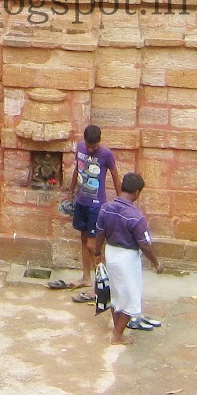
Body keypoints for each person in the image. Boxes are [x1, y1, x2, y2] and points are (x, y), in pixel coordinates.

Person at [95, 172, 163, 343]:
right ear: (137, 192)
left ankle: (118, 329)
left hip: (111, 252)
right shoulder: (136, 216)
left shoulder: (106, 208)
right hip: (127, 257)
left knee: (116, 293)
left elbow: (99, 234)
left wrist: (97, 253)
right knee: (131, 297)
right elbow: (144, 245)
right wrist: (156, 263)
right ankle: (117, 336)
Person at [69, 125, 120, 302]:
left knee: (93, 246)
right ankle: (85, 278)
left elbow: (115, 175)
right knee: (83, 240)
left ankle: (102, 286)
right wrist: (71, 189)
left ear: (99, 141)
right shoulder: (80, 147)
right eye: (88, 146)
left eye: (94, 147)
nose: (90, 150)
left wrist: (121, 201)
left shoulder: (106, 155)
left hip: (96, 205)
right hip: (81, 201)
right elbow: (78, 168)